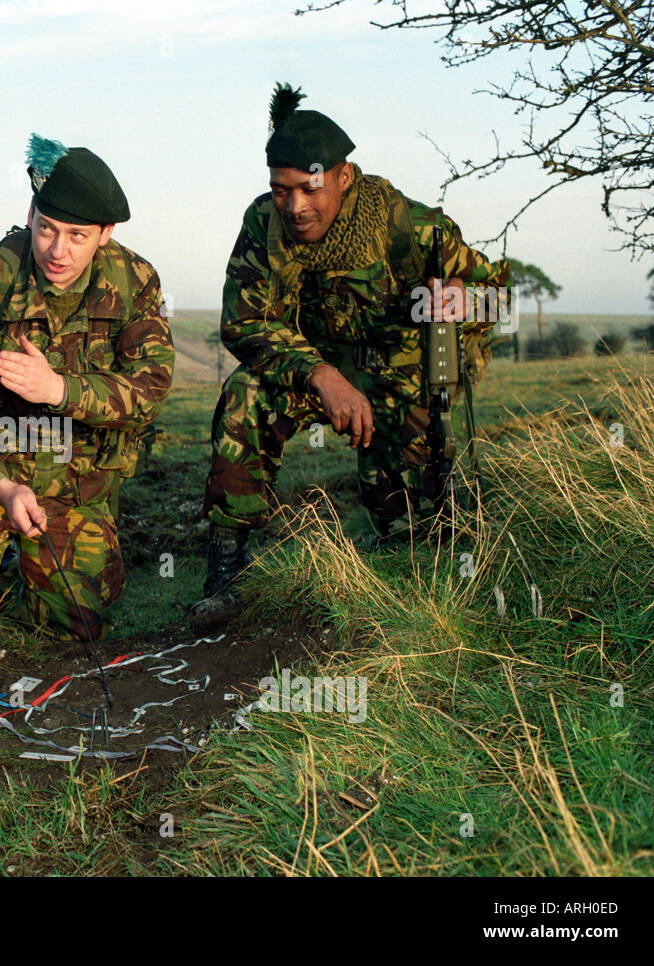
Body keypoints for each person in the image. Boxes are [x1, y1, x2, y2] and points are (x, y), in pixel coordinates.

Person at [189, 84, 511, 629]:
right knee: (247, 392)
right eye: (281, 190)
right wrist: (320, 375)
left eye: (309, 189)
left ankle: (408, 545)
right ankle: (228, 567)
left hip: (403, 377)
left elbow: (498, 295)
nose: (294, 206)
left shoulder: (413, 225)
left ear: (343, 176)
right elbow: (244, 323)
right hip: (318, 370)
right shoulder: (263, 225)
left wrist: (461, 300)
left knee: (412, 535)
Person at [0, 135, 173, 642]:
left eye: (77, 236)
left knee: (76, 624)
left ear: (105, 233)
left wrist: (60, 391)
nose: (57, 250)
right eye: (46, 228)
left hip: (75, 487)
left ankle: (29, 564)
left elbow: (150, 390)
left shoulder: (134, 282)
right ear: (30, 213)